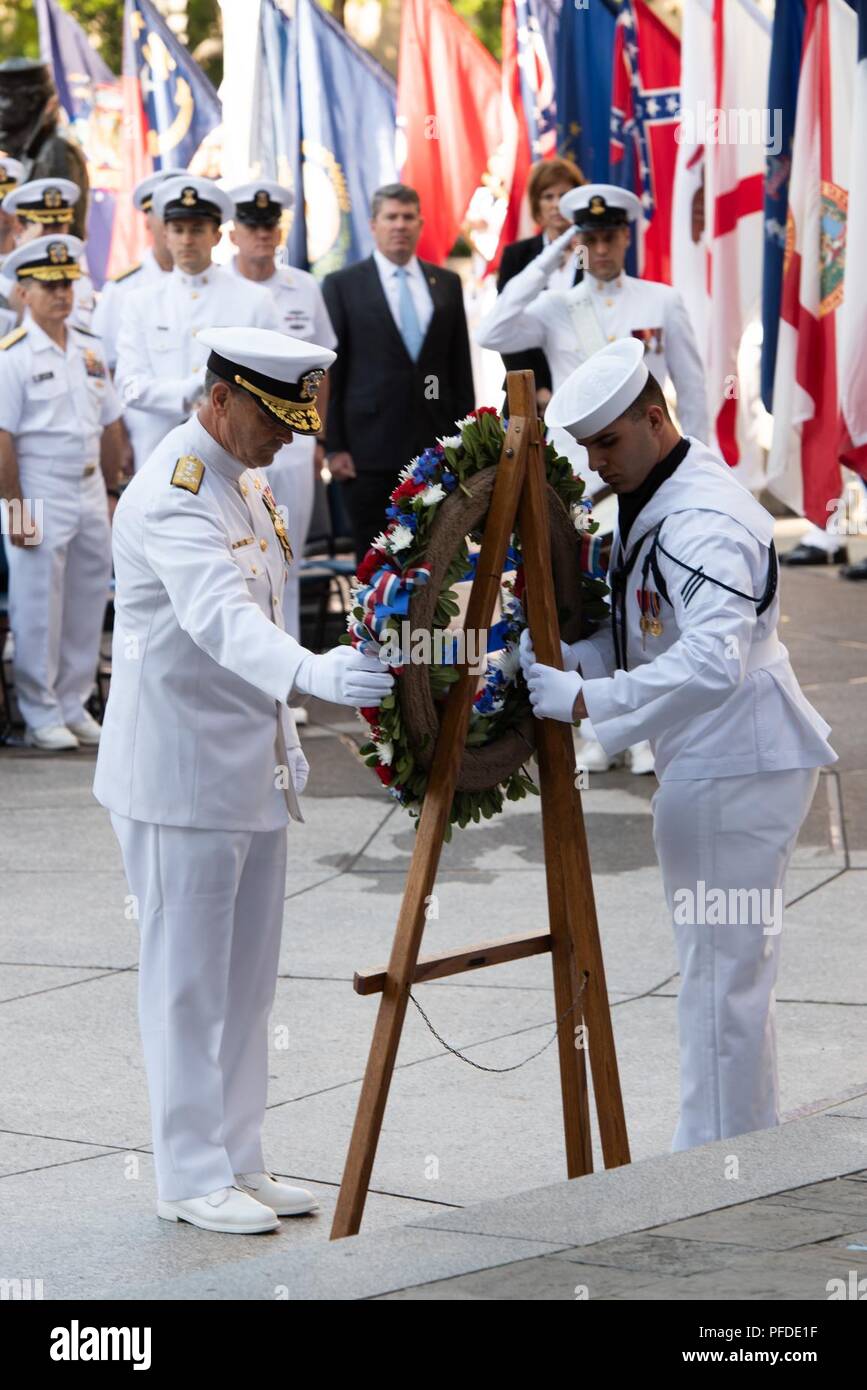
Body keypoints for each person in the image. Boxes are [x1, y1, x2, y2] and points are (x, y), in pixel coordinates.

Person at [93, 327, 394, 1234]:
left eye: (301, 418)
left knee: (247, 984)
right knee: (186, 983)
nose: (290, 437)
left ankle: (237, 1155)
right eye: (275, 417)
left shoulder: (248, 479)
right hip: (177, 777)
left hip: (249, 773)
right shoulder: (175, 494)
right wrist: (313, 673)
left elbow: (259, 602)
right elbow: (223, 622)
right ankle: (188, 1175)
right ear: (221, 399)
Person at [520, 339, 836, 1153]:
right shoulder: (662, 491)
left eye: (608, 442)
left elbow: (710, 659)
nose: (596, 463)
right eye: (586, 446)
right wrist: (582, 660)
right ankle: (741, 1149)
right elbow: (655, 632)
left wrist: (592, 696)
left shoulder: (701, 519)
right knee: (727, 972)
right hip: (721, 754)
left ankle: (712, 1168)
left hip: (736, 759)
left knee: (719, 977)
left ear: (655, 419)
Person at [479, 182, 709, 776]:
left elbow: (694, 386)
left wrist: (705, 465)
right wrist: (552, 255)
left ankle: (646, 725)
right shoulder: (557, 304)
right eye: (590, 237)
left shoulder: (660, 301)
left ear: (627, 236)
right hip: (577, 489)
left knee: (649, 602)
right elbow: (494, 329)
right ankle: (593, 726)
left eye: (609, 236)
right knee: (586, 603)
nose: (600, 248)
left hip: (646, 481)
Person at [0, 235, 124, 750]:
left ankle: (73, 703)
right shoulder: (12, 355)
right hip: (39, 485)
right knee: (36, 605)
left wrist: (114, 488)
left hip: (90, 483)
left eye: (66, 282)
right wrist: (16, 509)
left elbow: (112, 422)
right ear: (23, 293)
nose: (60, 293)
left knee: (87, 598)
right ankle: (39, 710)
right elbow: (3, 438)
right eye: (47, 285)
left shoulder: (90, 346)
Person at [322, 182, 475, 561]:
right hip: (367, 454)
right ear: (373, 224)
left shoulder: (447, 283)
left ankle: (428, 626)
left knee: (438, 561)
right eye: (391, 217)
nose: (400, 225)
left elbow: (459, 369)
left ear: (421, 224)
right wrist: (334, 445)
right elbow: (332, 371)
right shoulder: (343, 285)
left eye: (408, 217)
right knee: (377, 565)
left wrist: (465, 444)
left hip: (435, 451)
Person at [227, 179, 337, 670]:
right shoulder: (220, 289)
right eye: (252, 226)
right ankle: (243, 667)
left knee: (284, 557)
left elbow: (321, 369)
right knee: (236, 556)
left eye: (269, 226)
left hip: (291, 445)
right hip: (233, 446)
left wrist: (317, 437)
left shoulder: (304, 287)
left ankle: (286, 670)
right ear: (234, 232)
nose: (262, 236)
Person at [114, 175, 279, 472]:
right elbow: (128, 387)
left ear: (216, 235)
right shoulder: (140, 302)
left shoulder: (255, 300)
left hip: (233, 459)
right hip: (158, 456)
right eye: (178, 230)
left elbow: (271, 383)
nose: (187, 240)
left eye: (197, 230)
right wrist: (192, 390)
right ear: (165, 235)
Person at [496, 155, 585, 411]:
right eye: (548, 196)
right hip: (529, 398)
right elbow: (505, 324)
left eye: (564, 196)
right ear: (537, 203)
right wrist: (538, 389)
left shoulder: (596, 254)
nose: (557, 205)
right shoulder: (517, 256)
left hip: (587, 394)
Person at [91, 168, 179, 374]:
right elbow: (104, 366)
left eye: (186, 220)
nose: (174, 227)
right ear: (147, 221)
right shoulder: (121, 290)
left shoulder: (222, 285)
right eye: (166, 216)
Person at [0, 59, 89, 240]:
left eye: (4, 97)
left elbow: (59, 235)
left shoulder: (55, 152)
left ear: (31, 101)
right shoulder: (26, 153)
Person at [1, 178, 96, 331]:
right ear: (19, 227)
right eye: (45, 226)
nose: (53, 235)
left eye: (59, 225)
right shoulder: (5, 277)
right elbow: (6, 332)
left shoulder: (79, 280)